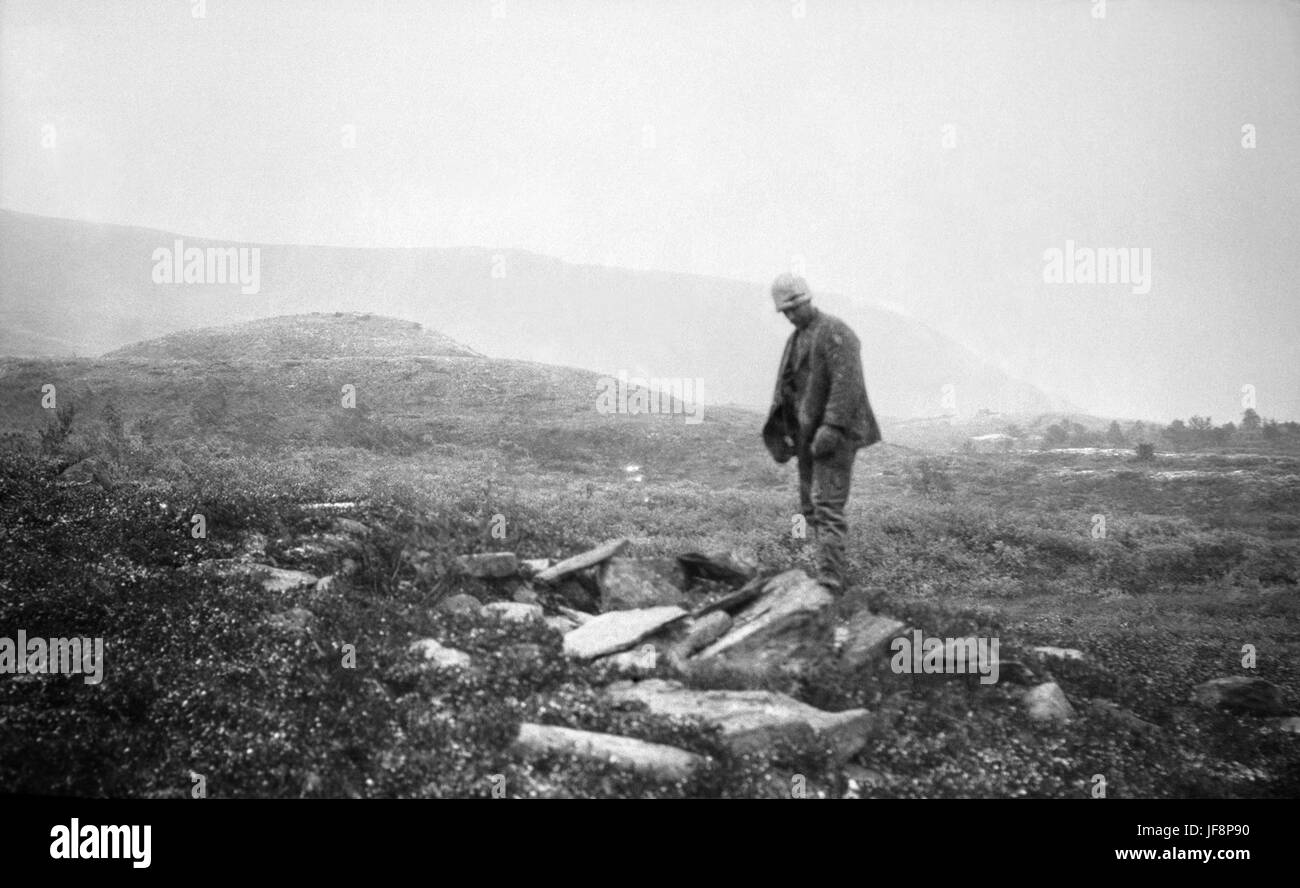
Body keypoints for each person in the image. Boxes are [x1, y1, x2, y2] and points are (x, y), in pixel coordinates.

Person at [761, 273, 881, 595]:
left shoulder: (835, 331)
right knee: (810, 510)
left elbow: (847, 383)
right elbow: (788, 388)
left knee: (828, 508)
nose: (790, 315)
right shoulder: (797, 339)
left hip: (835, 438)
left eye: (794, 308)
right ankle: (824, 574)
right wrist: (783, 431)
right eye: (785, 311)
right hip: (806, 439)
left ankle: (830, 582)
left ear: (807, 300)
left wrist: (833, 426)